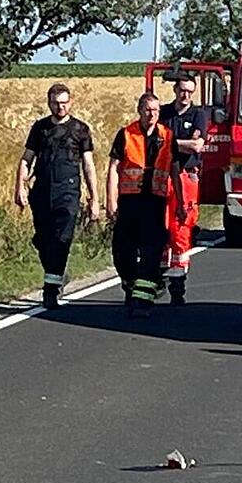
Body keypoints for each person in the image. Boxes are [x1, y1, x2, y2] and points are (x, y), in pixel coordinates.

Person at [13, 83, 97, 310]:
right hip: (41, 192)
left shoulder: (81, 130)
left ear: (70, 103)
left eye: (64, 103)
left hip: (68, 192)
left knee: (61, 240)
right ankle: (58, 273)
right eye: (55, 103)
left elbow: (88, 165)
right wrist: (19, 187)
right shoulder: (40, 129)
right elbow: (26, 159)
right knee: (42, 240)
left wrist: (94, 198)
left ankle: (50, 291)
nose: (60, 107)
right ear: (49, 103)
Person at [107, 91, 180, 318]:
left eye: (156, 110)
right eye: (148, 110)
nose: (152, 114)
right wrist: (110, 201)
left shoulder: (168, 136)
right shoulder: (126, 134)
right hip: (129, 202)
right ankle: (130, 286)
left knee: (151, 252)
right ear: (139, 111)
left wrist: (181, 202)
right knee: (122, 252)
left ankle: (142, 301)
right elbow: (113, 169)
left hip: (155, 203)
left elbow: (175, 171)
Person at [158, 69, 215, 306]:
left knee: (181, 229)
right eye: (182, 91)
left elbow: (197, 146)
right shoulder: (164, 113)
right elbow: (157, 142)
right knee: (160, 226)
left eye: (190, 92)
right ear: (175, 90)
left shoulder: (198, 114)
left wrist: (172, 143)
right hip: (164, 177)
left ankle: (178, 286)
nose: (185, 96)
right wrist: (181, 143)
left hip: (187, 177)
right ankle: (158, 278)